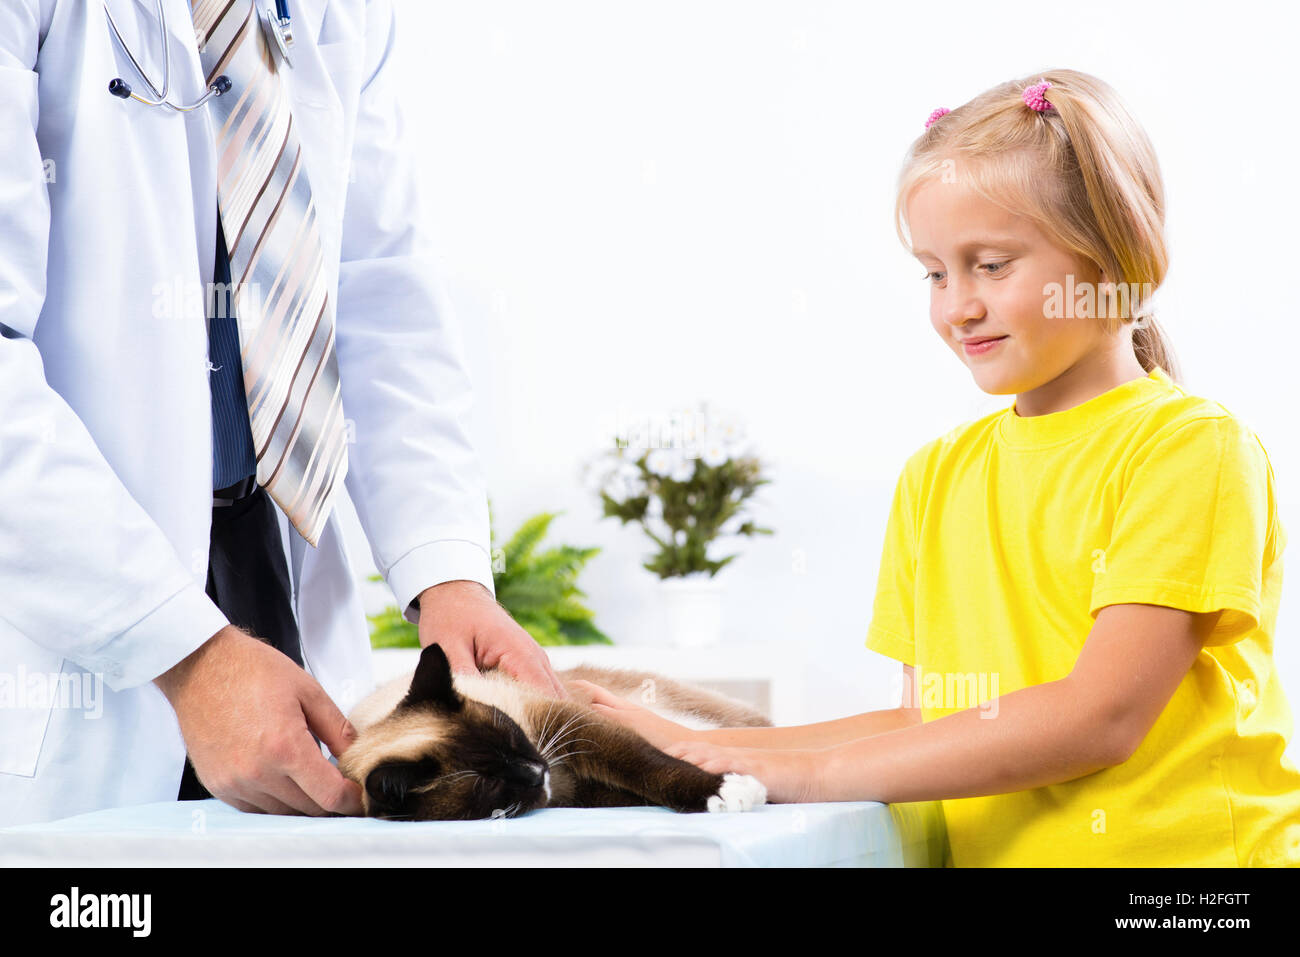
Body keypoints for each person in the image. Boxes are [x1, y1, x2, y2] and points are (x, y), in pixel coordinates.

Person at [578, 69, 1300, 867]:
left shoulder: (1189, 449)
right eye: (935, 271)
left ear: (1114, 254)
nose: (957, 305)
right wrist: (692, 743)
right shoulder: (936, 475)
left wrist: (810, 772)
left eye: (991, 265)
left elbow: (1100, 717)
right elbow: (926, 722)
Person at [0, 0, 563, 827]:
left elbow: (379, 288)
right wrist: (187, 654)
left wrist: (445, 574)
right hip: (81, 613)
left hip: (281, 589)